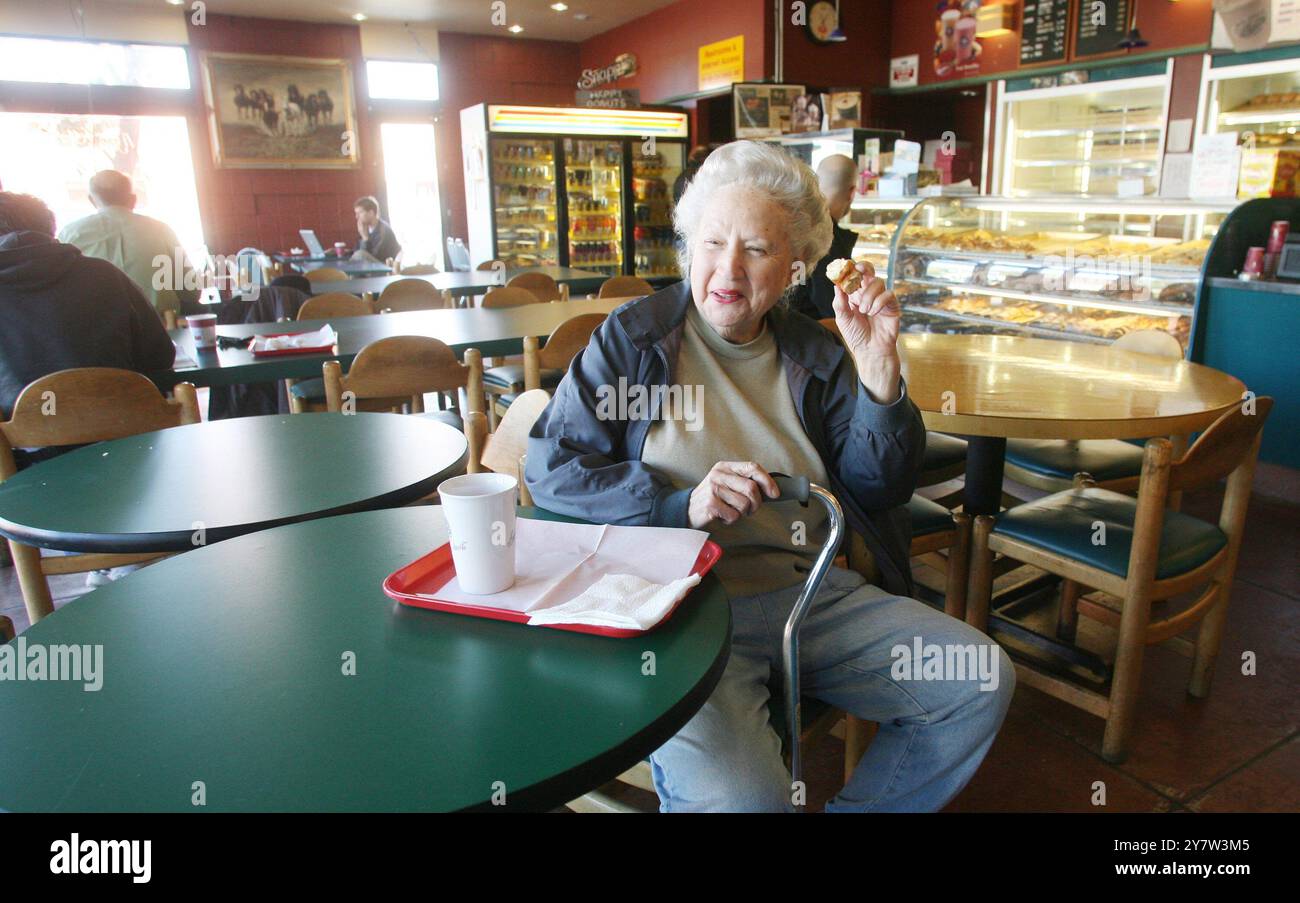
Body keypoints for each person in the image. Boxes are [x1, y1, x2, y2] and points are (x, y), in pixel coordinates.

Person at [526, 141, 1013, 812]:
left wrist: (878, 376)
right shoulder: (638, 344)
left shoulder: (816, 351)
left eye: (756, 248)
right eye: (713, 242)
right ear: (688, 249)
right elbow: (552, 467)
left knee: (978, 678)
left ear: (793, 266)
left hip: (811, 595)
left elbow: (880, 487)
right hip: (683, 612)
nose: (729, 267)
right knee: (745, 801)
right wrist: (676, 506)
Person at [0, 192, 176, 440]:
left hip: (24, 463)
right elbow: (160, 358)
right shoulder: (105, 275)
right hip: (131, 442)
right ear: (50, 229)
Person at [57, 170, 199, 319]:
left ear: (92, 200)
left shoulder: (70, 234)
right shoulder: (160, 230)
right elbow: (191, 290)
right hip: (162, 327)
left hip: (98, 330)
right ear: (133, 199)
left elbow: (62, 295)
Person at [789, 154, 861, 321]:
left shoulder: (795, 223)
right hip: (811, 338)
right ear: (851, 193)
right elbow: (835, 311)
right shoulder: (828, 239)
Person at [353, 196, 401, 263]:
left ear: (371, 213)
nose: (357, 217)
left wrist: (365, 238)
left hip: (384, 266)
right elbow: (355, 251)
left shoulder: (384, 231)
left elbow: (375, 255)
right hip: (370, 266)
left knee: (360, 255)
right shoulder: (365, 228)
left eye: (360, 213)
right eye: (356, 213)